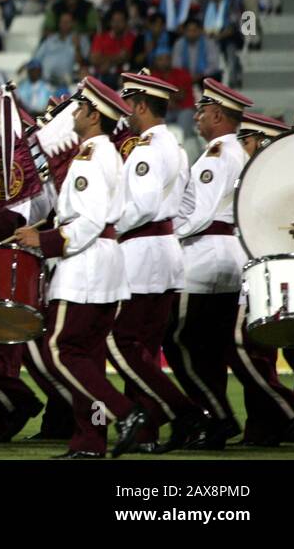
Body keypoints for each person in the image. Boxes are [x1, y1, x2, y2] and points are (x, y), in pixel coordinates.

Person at [13, 77, 146, 458]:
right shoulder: (105, 154)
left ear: (92, 114)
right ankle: (90, 442)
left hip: (85, 268)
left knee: (59, 351)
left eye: (80, 107)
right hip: (104, 266)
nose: (74, 112)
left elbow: (87, 221)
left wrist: (46, 241)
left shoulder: (89, 157)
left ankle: (126, 412)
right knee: (87, 359)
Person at [166, 80, 294, 447]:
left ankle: (219, 415)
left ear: (218, 115)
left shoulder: (216, 155)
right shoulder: (238, 154)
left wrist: (169, 233)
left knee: (180, 340)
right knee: (212, 345)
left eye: (202, 111)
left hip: (205, 257)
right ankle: (219, 419)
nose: (196, 117)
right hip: (231, 256)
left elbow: (202, 213)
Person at [111, 72, 209, 453]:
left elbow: (144, 205)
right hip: (165, 249)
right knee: (146, 350)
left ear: (139, 106)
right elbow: (185, 205)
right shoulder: (176, 146)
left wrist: (107, 225)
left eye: (129, 105)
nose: (126, 114)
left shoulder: (147, 149)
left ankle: (183, 412)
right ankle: (147, 432)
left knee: (123, 343)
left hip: (142, 255)